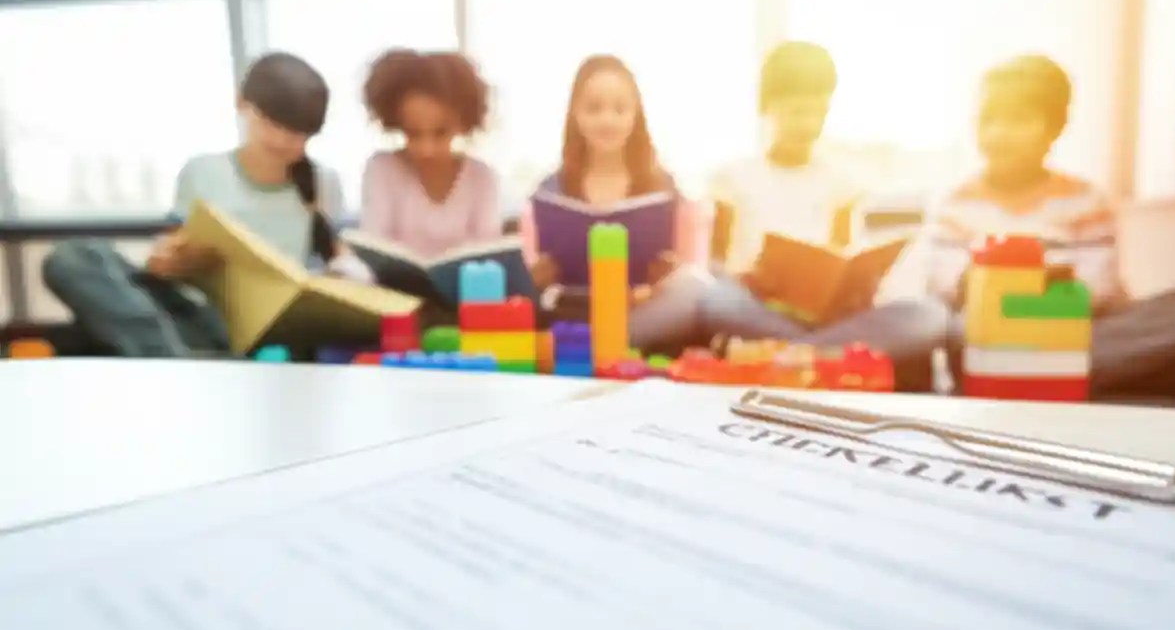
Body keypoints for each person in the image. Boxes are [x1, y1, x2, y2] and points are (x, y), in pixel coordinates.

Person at [926, 54, 1175, 402]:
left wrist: (1019, 291)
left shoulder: (1086, 200)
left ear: (1054, 128)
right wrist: (1027, 290)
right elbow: (945, 283)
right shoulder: (954, 203)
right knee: (956, 329)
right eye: (988, 119)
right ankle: (1099, 372)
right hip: (991, 336)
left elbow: (1099, 288)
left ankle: (1045, 371)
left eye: (1018, 120)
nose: (998, 133)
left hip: (1081, 331)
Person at [42, 52, 367, 357]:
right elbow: (170, 249)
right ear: (242, 104)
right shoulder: (202, 171)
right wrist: (168, 261)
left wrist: (344, 277)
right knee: (73, 258)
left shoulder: (324, 182)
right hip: (193, 315)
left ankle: (173, 361)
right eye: (272, 124)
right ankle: (173, 359)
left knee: (94, 337)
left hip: (267, 332)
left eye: (297, 134)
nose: (282, 141)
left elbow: (338, 258)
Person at [702, 41, 949, 391]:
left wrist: (855, 292)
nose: (808, 124)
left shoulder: (843, 183)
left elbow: (841, 262)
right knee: (716, 299)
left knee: (928, 314)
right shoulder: (732, 177)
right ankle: (823, 356)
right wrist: (744, 278)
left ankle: (795, 356)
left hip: (827, 321)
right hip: (759, 312)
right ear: (768, 108)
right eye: (796, 112)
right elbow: (715, 266)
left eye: (818, 112)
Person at [523, 54, 710, 354]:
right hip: (571, 315)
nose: (607, 120)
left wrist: (663, 282)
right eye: (594, 108)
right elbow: (530, 276)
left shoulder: (668, 191)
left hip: (640, 318)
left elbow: (693, 274)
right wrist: (536, 276)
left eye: (620, 109)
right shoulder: (547, 193)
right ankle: (590, 346)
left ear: (636, 115)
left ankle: (598, 347)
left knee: (697, 289)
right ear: (575, 114)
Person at [359, 49, 502, 258]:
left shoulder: (481, 178)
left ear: (463, 123)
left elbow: (488, 254)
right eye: (413, 134)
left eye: (440, 133)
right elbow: (373, 246)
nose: (427, 149)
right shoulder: (382, 169)